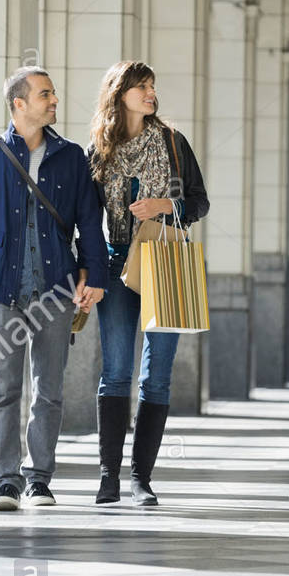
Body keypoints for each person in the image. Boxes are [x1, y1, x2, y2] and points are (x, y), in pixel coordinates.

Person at [0, 67, 108, 511]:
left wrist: (92, 274)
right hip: (1, 290)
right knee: (1, 389)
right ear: (19, 103)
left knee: (49, 389)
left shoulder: (73, 157)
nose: (54, 100)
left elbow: (88, 223)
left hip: (56, 290)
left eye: (54, 94)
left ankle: (39, 479)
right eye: (45, 94)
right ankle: (5, 482)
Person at [85, 61, 209, 507]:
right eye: (141, 87)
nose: (150, 93)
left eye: (153, 86)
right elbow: (85, 214)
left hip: (165, 257)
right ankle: (108, 478)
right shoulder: (99, 149)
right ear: (119, 94)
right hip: (116, 260)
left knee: (156, 375)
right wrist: (86, 270)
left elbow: (200, 202)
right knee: (115, 371)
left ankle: (141, 479)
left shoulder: (173, 142)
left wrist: (163, 202)